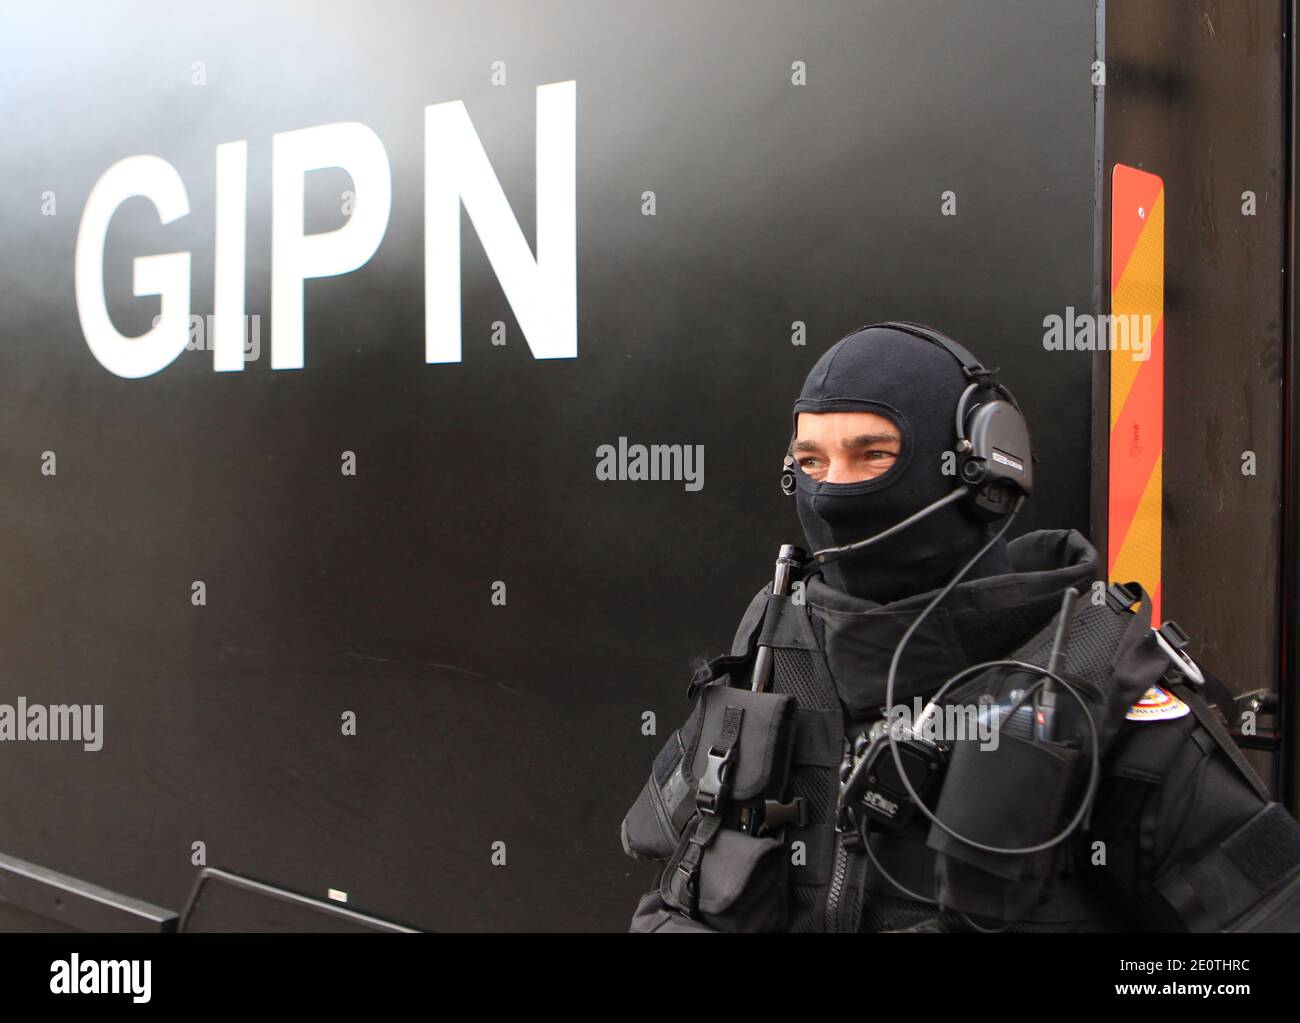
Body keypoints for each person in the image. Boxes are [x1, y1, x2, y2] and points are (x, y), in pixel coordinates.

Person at [620, 321, 1300, 932]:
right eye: (811, 461)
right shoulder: (775, 647)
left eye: (874, 455)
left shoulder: (1096, 685)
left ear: (984, 469)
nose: (831, 490)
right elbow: (676, 899)